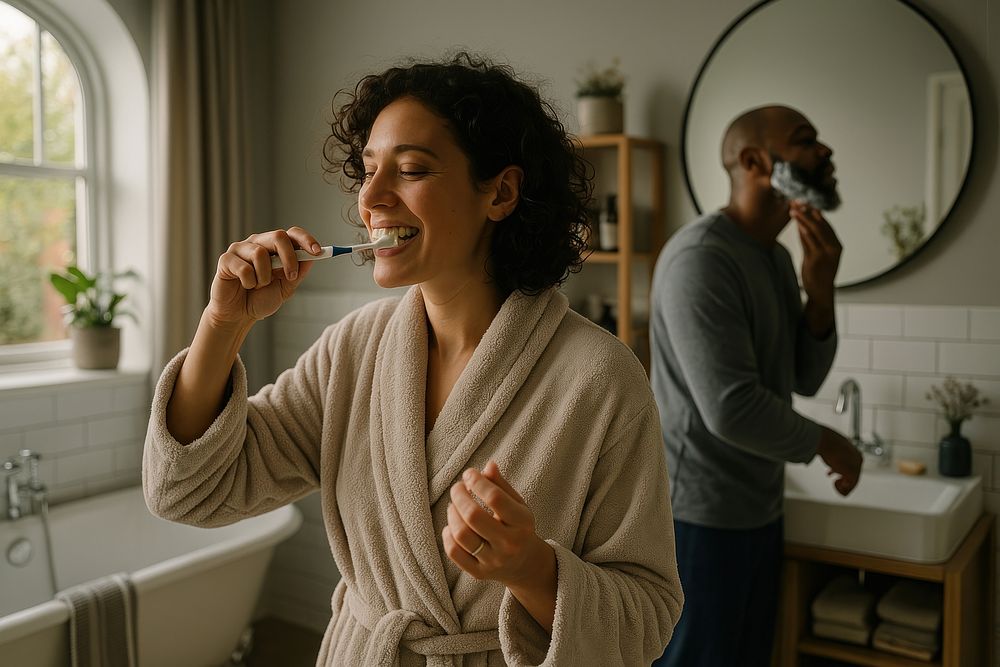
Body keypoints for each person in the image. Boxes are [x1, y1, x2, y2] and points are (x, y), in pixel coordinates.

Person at [142, 53, 682, 666]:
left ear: (501, 192)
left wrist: (532, 569)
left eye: (411, 170)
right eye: (368, 171)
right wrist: (223, 324)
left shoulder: (599, 376)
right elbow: (187, 492)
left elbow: (648, 618)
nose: (371, 198)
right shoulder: (353, 349)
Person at [649, 105, 863, 667]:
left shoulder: (772, 259)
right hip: (699, 517)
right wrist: (830, 444)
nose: (825, 152)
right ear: (755, 162)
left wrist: (820, 292)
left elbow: (803, 377)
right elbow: (731, 408)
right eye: (805, 141)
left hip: (757, 508)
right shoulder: (701, 259)